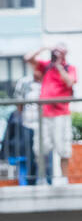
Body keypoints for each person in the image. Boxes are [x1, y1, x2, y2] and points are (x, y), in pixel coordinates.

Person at [29, 44, 76, 182]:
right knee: (40, 149)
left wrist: (59, 66)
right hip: (45, 115)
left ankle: (64, 180)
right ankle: (42, 179)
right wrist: (43, 48)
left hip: (61, 114)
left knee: (63, 148)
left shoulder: (69, 68)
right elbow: (28, 58)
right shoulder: (46, 66)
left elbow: (70, 82)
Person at [13, 57, 41, 185]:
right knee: (29, 155)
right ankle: (31, 181)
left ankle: (47, 179)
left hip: (45, 124)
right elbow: (18, 104)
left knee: (44, 154)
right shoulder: (24, 82)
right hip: (27, 124)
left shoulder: (47, 81)